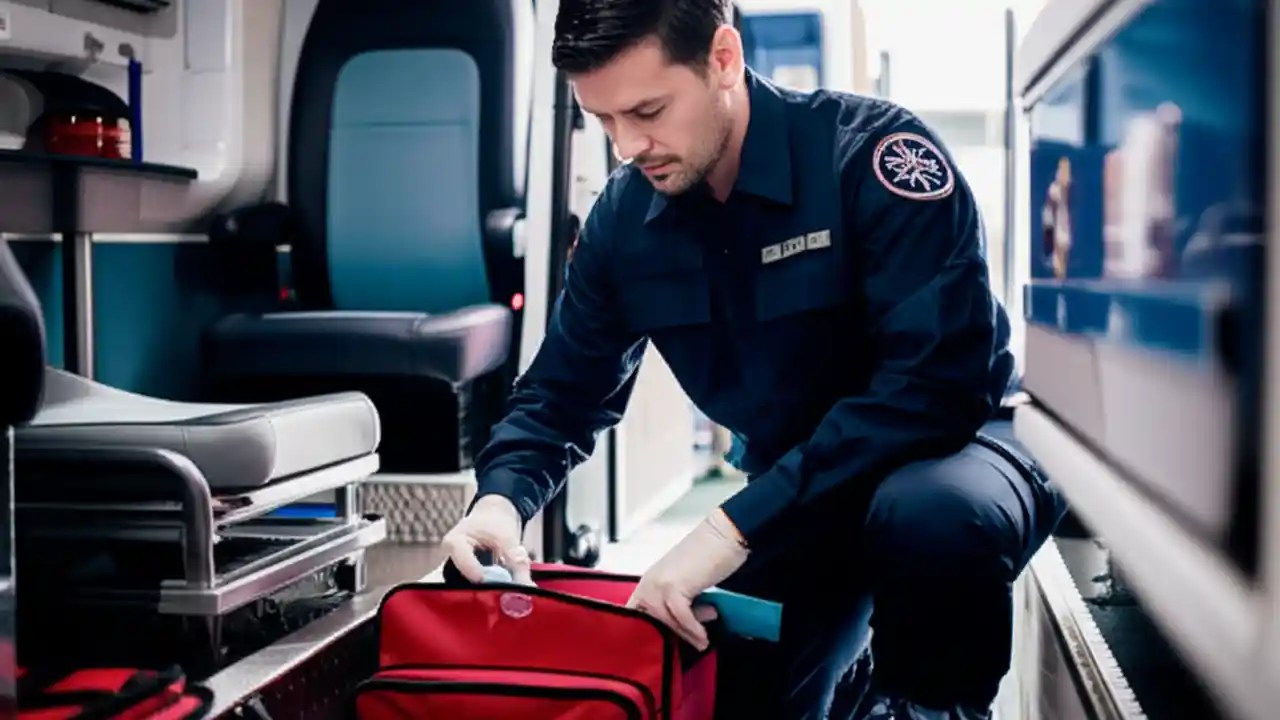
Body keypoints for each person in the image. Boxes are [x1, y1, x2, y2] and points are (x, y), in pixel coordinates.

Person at [441, 1, 1066, 717]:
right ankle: (851, 682)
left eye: (648, 110)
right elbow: (562, 391)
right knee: (725, 676)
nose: (627, 146)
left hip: (966, 444)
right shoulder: (624, 221)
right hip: (804, 484)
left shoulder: (872, 157)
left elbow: (931, 389)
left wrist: (730, 528)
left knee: (925, 519)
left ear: (725, 59)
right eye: (604, 120)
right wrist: (502, 498)